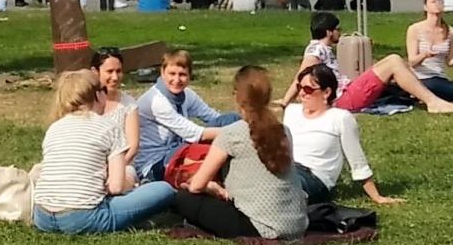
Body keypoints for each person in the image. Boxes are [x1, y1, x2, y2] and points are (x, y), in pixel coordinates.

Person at [31, 69, 177, 234]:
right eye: (104, 91)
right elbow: (116, 187)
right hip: (83, 218)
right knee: (164, 189)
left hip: (42, 216)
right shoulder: (109, 128)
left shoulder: (54, 128)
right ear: (97, 95)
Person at [172, 67, 309, 241]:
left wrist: (213, 188)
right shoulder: (284, 131)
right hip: (297, 225)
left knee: (184, 198)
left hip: (258, 227)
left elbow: (196, 186)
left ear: (237, 96)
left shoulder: (231, 134)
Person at [286, 12, 453, 114]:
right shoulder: (316, 50)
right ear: (328, 32)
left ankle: (429, 98)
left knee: (392, 61)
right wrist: (286, 102)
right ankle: (432, 102)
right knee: (394, 61)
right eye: (337, 29)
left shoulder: (321, 49)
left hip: (347, 91)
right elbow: (301, 77)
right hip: (343, 99)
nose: (340, 32)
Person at [284, 66, 403, 205]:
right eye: (299, 87)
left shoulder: (340, 118)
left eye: (308, 89)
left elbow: (357, 160)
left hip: (313, 178)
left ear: (326, 92)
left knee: (283, 186)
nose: (302, 93)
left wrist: (377, 197)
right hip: (286, 169)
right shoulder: (292, 111)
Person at [132, 49, 238, 181]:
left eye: (182, 75)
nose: (176, 80)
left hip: (180, 149)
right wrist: (238, 133)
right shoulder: (156, 101)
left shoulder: (187, 94)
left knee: (231, 119)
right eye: (172, 74)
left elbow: (213, 117)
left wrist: (241, 128)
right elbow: (196, 134)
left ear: (189, 76)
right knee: (212, 151)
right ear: (162, 73)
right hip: (156, 163)